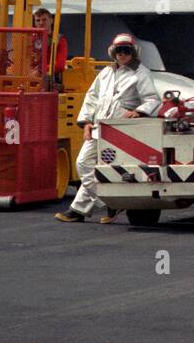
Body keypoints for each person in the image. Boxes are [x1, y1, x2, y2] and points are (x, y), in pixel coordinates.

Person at [55, 33, 160, 223]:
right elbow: (91, 98)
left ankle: (78, 210)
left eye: (126, 51)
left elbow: (153, 99)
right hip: (99, 127)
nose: (122, 54)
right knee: (83, 163)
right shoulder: (105, 73)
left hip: (121, 131)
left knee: (110, 168)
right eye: (119, 51)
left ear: (133, 52)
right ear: (113, 52)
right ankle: (110, 201)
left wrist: (139, 111)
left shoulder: (141, 73)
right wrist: (86, 123)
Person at [30, 7, 68, 90]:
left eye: (44, 20)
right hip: (30, 74)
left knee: (46, 79)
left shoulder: (59, 40)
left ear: (51, 20)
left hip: (49, 77)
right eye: (38, 20)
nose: (41, 23)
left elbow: (60, 65)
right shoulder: (30, 38)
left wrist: (40, 71)